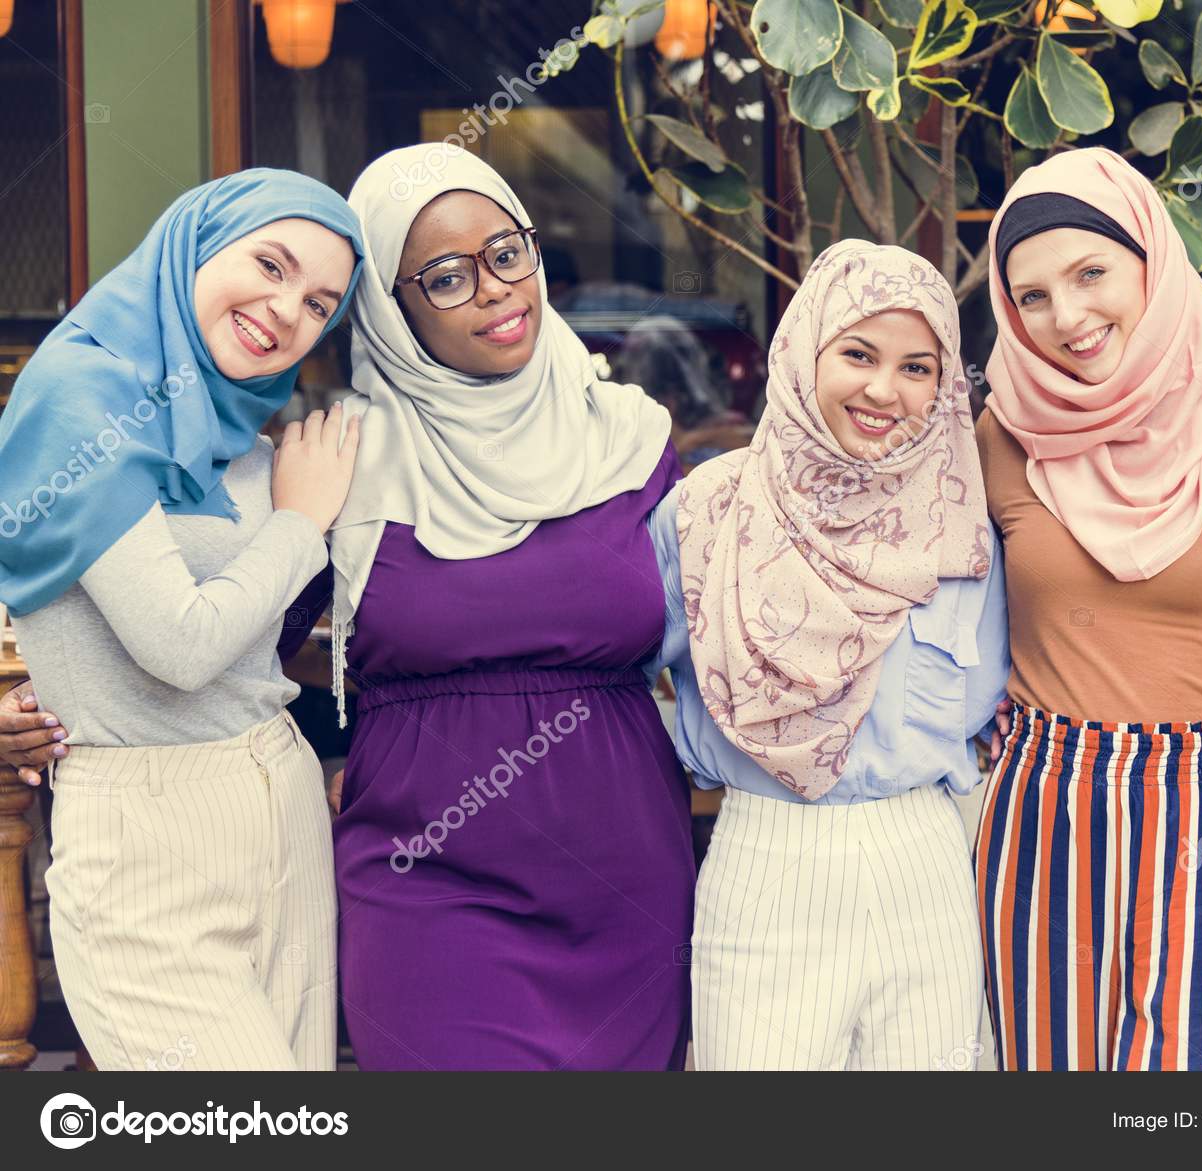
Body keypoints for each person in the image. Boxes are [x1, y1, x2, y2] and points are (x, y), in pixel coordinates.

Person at [327, 144, 694, 1070]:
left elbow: (731, 630)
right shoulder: (341, 462)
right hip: (429, 891)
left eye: (507, 252)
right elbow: (232, 645)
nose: (494, 289)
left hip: (627, 892)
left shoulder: (634, 440)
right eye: (446, 276)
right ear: (389, 307)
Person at [0, 169, 364, 1070]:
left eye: (320, 303)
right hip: (145, 835)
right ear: (195, 247)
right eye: (269, 265)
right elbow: (180, 646)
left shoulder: (236, 421)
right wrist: (298, 523)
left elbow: (255, 632)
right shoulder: (76, 399)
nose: (287, 312)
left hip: (279, 795)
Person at [974, 147, 1202, 1070]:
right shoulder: (997, 439)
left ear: (1152, 264)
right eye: (1031, 296)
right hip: (1047, 798)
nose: (1067, 317)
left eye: (1091, 273)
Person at [646, 240, 1004, 1069]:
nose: (885, 389)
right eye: (858, 353)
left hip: (927, 859)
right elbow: (624, 692)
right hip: (766, 857)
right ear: (806, 349)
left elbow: (993, 705)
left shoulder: (962, 524)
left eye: (919, 368)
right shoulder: (708, 511)